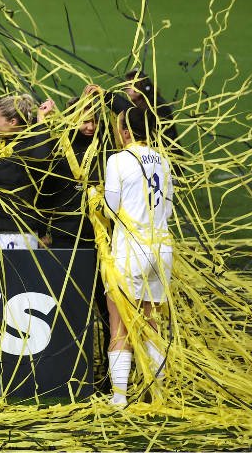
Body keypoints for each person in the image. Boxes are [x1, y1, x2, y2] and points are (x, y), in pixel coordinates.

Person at [102, 107, 174, 406]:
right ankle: (157, 396)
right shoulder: (165, 160)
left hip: (131, 250)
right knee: (153, 325)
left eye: (118, 125)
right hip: (162, 249)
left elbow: (109, 208)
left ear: (127, 131)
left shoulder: (118, 160)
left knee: (119, 326)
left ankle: (119, 401)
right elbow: (167, 209)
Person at [0, 94, 54, 249]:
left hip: (17, 232)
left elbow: (43, 159)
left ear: (13, 122)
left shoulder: (30, 144)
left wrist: (41, 120)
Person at [37, 96, 102, 249]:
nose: (91, 127)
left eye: (94, 121)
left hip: (99, 236)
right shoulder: (57, 149)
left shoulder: (104, 148)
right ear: (71, 120)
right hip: (64, 236)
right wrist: (41, 232)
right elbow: (45, 194)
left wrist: (106, 96)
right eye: (85, 121)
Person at [84, 70, 178, 147]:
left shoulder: (158, 107)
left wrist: (105, 95)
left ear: (144, 87)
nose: (127, 88)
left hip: (167, 158)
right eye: (127, 84)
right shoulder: (133, 103)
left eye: (133, 84)